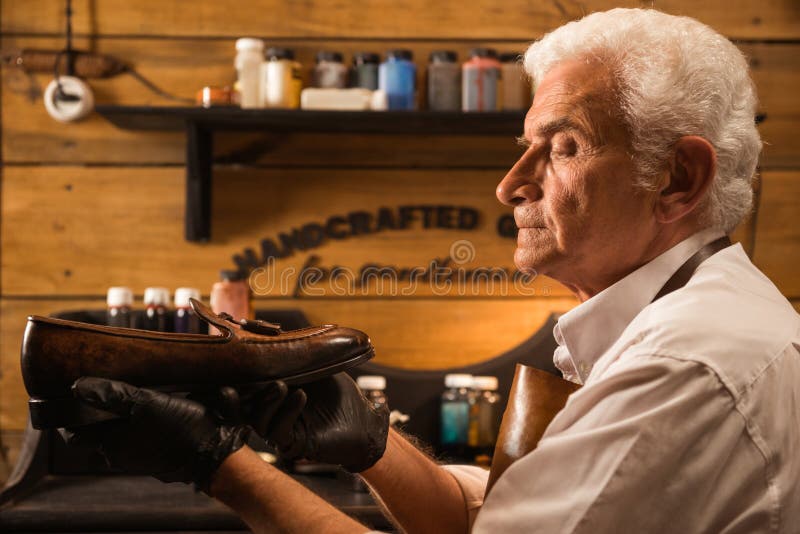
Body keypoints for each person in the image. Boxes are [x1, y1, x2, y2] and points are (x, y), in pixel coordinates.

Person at [64, 8, 800, 533]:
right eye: (524, 145)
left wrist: (220, 463)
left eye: (564, 145)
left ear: (678, 178)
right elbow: (493, 520)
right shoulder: (680, 323)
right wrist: (372, 443)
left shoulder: (686, 367)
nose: (511, 184)